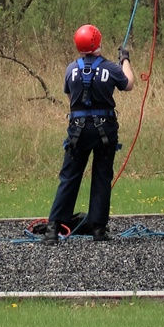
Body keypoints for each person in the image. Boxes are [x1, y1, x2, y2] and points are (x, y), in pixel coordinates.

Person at [44, 25, 134, 245]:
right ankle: (98, 228)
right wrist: (124, 60)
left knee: (70, 176)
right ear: (98, 43)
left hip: (77, 129)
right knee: (102, 175)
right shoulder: (111, 68)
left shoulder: (70, 69)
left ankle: (53, 227)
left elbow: (70, 97)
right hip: (104, 128)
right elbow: (129, 84)